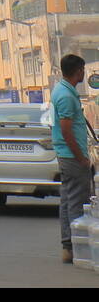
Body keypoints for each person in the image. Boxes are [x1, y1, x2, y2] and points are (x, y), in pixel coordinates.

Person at [53, 54, 93, 263]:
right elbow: (66, 130)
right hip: (71, 156)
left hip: (66, 155)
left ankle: (68, 245)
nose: (83, 73)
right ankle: (78, 247)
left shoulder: (63, 90)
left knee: (68, 200)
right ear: (77, 71)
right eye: (82, 70)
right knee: (78, 202)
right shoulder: (66, 96)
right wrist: (81, 158)